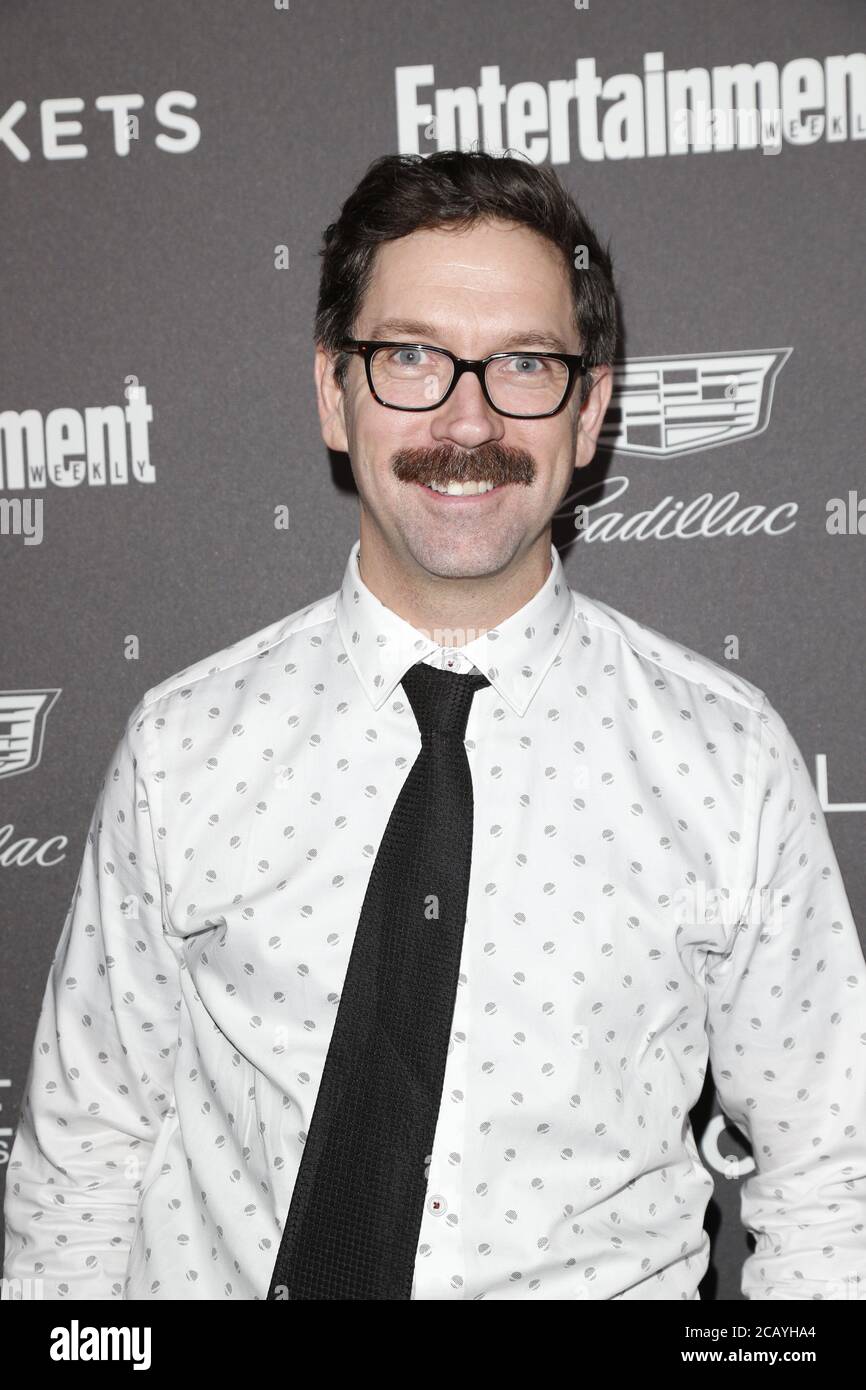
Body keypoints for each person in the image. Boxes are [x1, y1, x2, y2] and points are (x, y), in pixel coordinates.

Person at [3, 150, 864, 1302]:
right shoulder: (184, 745)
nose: (467, 419)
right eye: (409, 355)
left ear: (591, 404)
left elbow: (831, 1181)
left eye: (522, 362)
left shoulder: (725, 758)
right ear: (332, 391)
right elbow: (80, 1163)